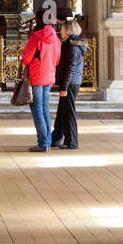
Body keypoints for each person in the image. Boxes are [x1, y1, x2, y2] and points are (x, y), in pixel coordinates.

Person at [21, 7, 61, 152]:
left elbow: (26, 58)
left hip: (37, 76)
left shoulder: (36, 36)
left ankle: (43, 143)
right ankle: (47, 142)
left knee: (37, 109)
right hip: (49, 75)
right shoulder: (55, 38)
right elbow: (57, 60)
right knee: (45, 108)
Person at [51, 19, 88, 150]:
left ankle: (72, 141)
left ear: (68, 30)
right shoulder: (70, 44)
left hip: (70, 83)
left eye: (62, 28)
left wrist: (64, 87)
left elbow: (70, 68)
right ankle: (55, 138)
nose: (59, 30)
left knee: (69, 112)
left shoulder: (72, 46)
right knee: (62, 112)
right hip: (71, 82)